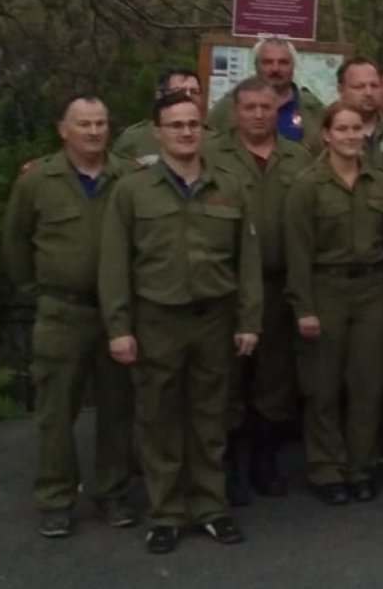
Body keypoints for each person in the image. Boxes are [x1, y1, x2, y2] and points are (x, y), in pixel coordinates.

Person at [99, 90, 261, 554]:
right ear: (158, 132)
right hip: (156, 320)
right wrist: (119, 327)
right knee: (159, 417)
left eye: (194, 124)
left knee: (211, 417)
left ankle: (211, 507)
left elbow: (246, 260)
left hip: (214, 317)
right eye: (177, 125)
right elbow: (115, 264)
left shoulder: (229, 185)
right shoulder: (133, 191)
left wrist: (249, 319)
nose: (187, 132)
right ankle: (166, 512)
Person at [2, 94, 136, 538]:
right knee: (56, 412)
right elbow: (16, 242)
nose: (94, 131)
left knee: (117, 408)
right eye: (84, 124)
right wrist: (34, 291)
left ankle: (113, 492)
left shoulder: (129, 178)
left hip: (117, 312)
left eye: (100, 123)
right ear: (64, 130)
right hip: (62, 311)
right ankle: (56, 498)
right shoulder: (38, 180)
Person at [285, 102, 383, 506]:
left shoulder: (380, 183)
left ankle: (361, 468)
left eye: (356, 129)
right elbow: (297, 252)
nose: (351, 136)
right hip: (325, 288)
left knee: (367, 386)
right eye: (342, 129)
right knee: (323, 388)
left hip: (370, 291)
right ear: (326, 135)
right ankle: (327, 469)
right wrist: (304, 307)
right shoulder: (307, 186)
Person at [208, 76, 310, 504]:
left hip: (280, 284)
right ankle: (228, 468)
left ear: (277, 111)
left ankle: (264, 464)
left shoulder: (299, 157)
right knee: (228, 380)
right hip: (228, 287)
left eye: (265, 108)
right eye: (249, 107)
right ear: (235, 112)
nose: (257, 115)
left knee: (274, 380)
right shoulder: (212, 156)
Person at [114, 67, 200, 165]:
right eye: (180, 91)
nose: (188, 96)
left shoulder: (215, 141)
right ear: (160, 96)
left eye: (194, 92)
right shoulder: (133, 138)